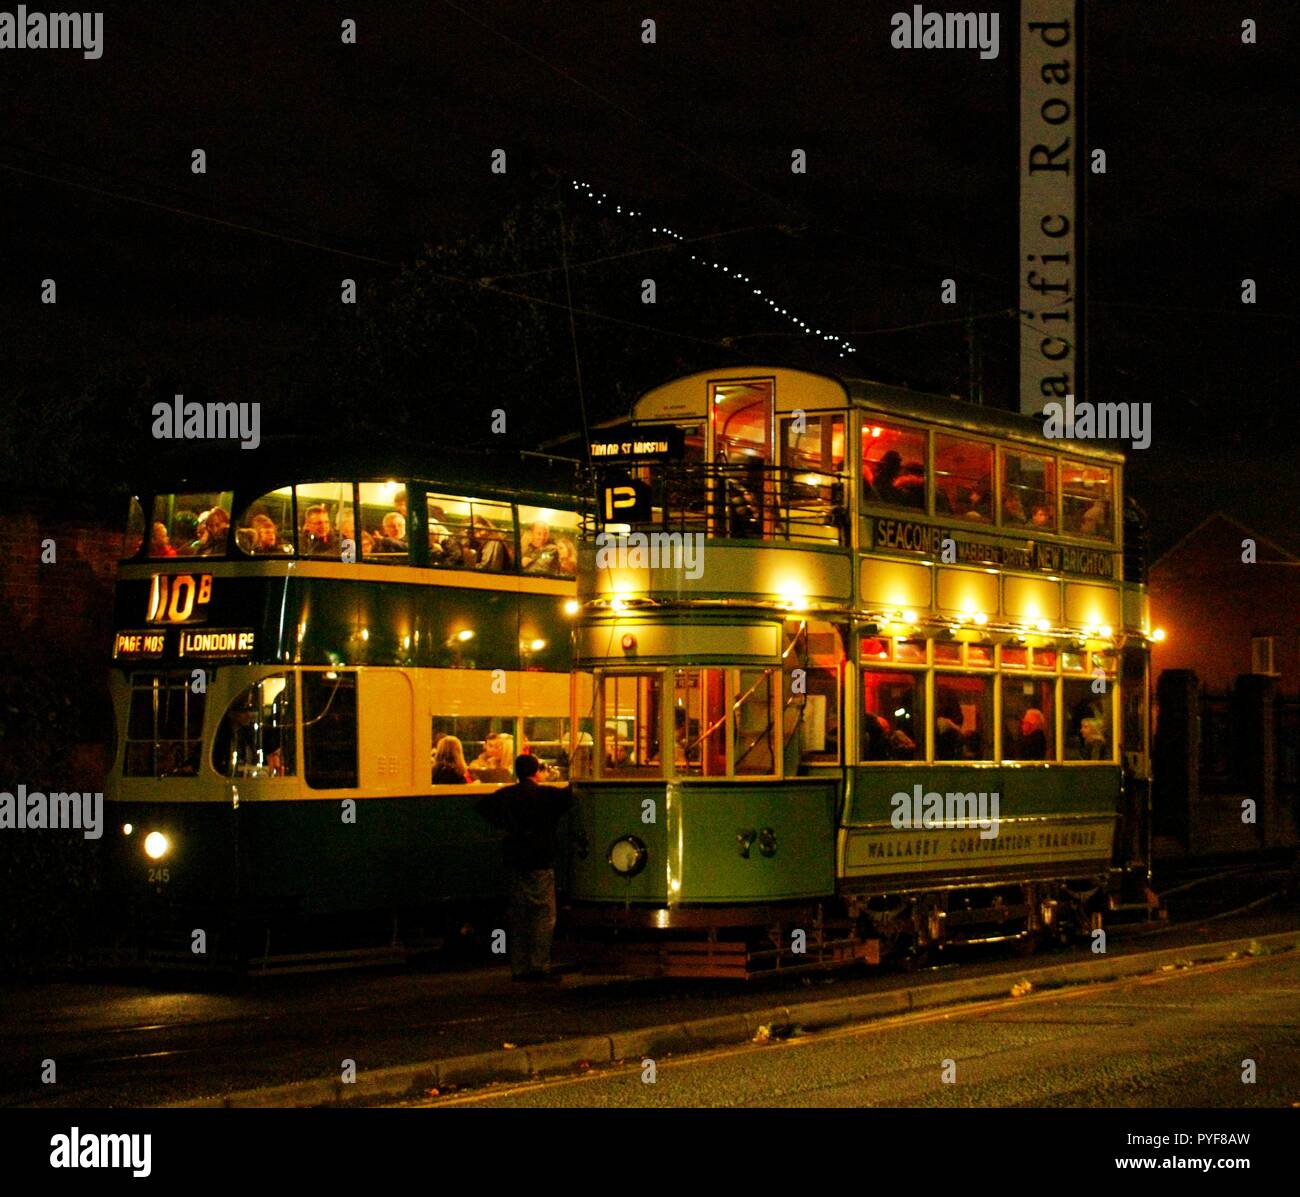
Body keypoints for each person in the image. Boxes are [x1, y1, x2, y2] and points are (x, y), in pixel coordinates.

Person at [474, 754, 572, 981]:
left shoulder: (507, 795)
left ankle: (519, 967)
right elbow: (569, 797)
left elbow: (483, 807)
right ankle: (539, 966)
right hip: (540, 860)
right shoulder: (545, 795)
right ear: (537, 772)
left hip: (515, 860)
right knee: (543, 916)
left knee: (519, 916)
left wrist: (506, 826)